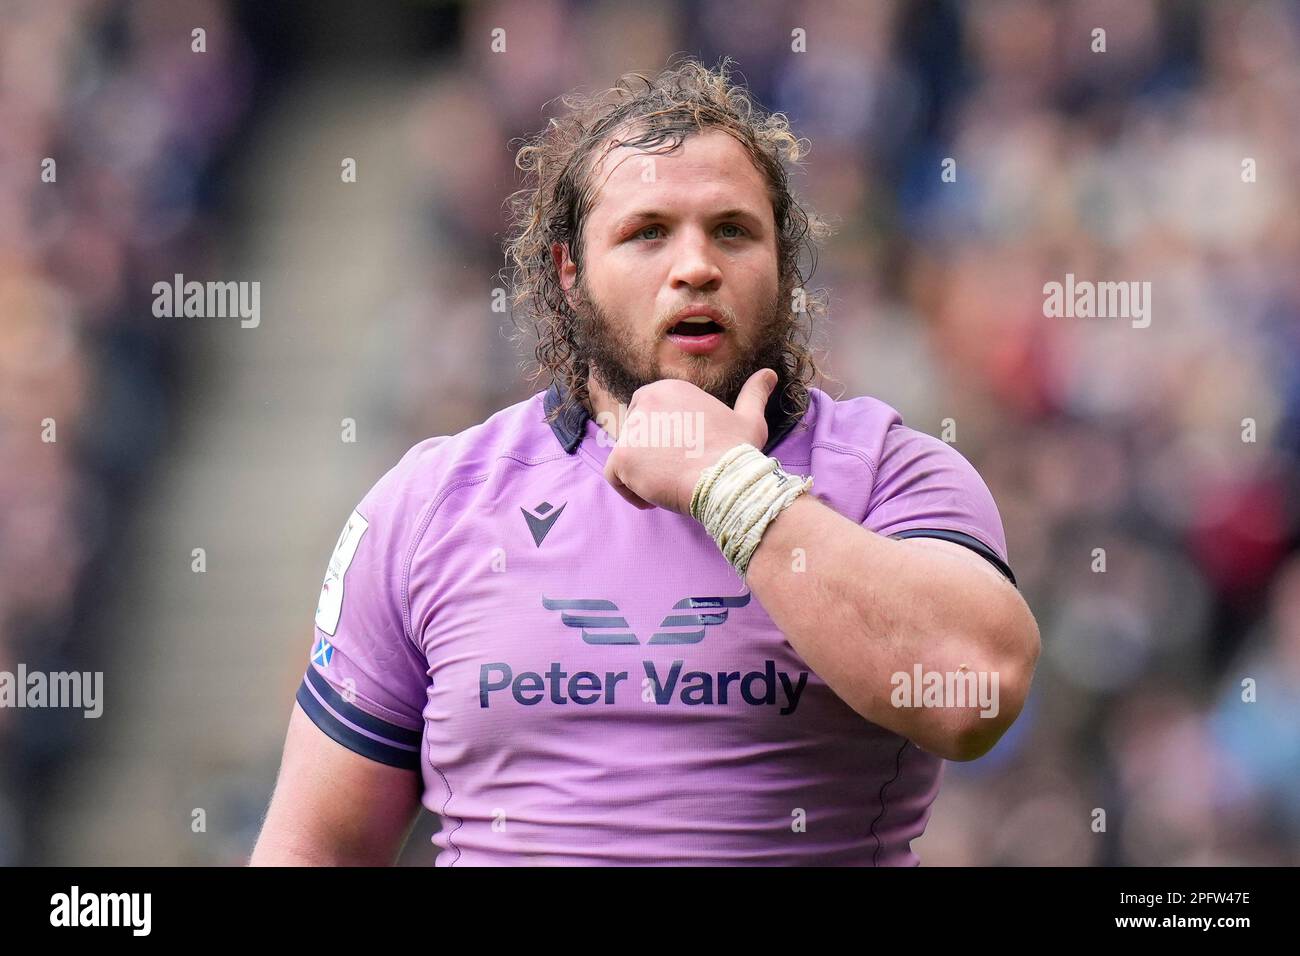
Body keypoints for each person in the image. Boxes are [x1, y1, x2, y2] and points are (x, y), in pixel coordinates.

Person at [250, 57, 1039, 866]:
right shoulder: (430, 504)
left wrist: (726, 487)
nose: (695, 266)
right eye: (647, 232)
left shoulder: (890, 473)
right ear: (570, 275)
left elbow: (975, 697)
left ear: (782, 264)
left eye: (733, 230)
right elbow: (315, 848)